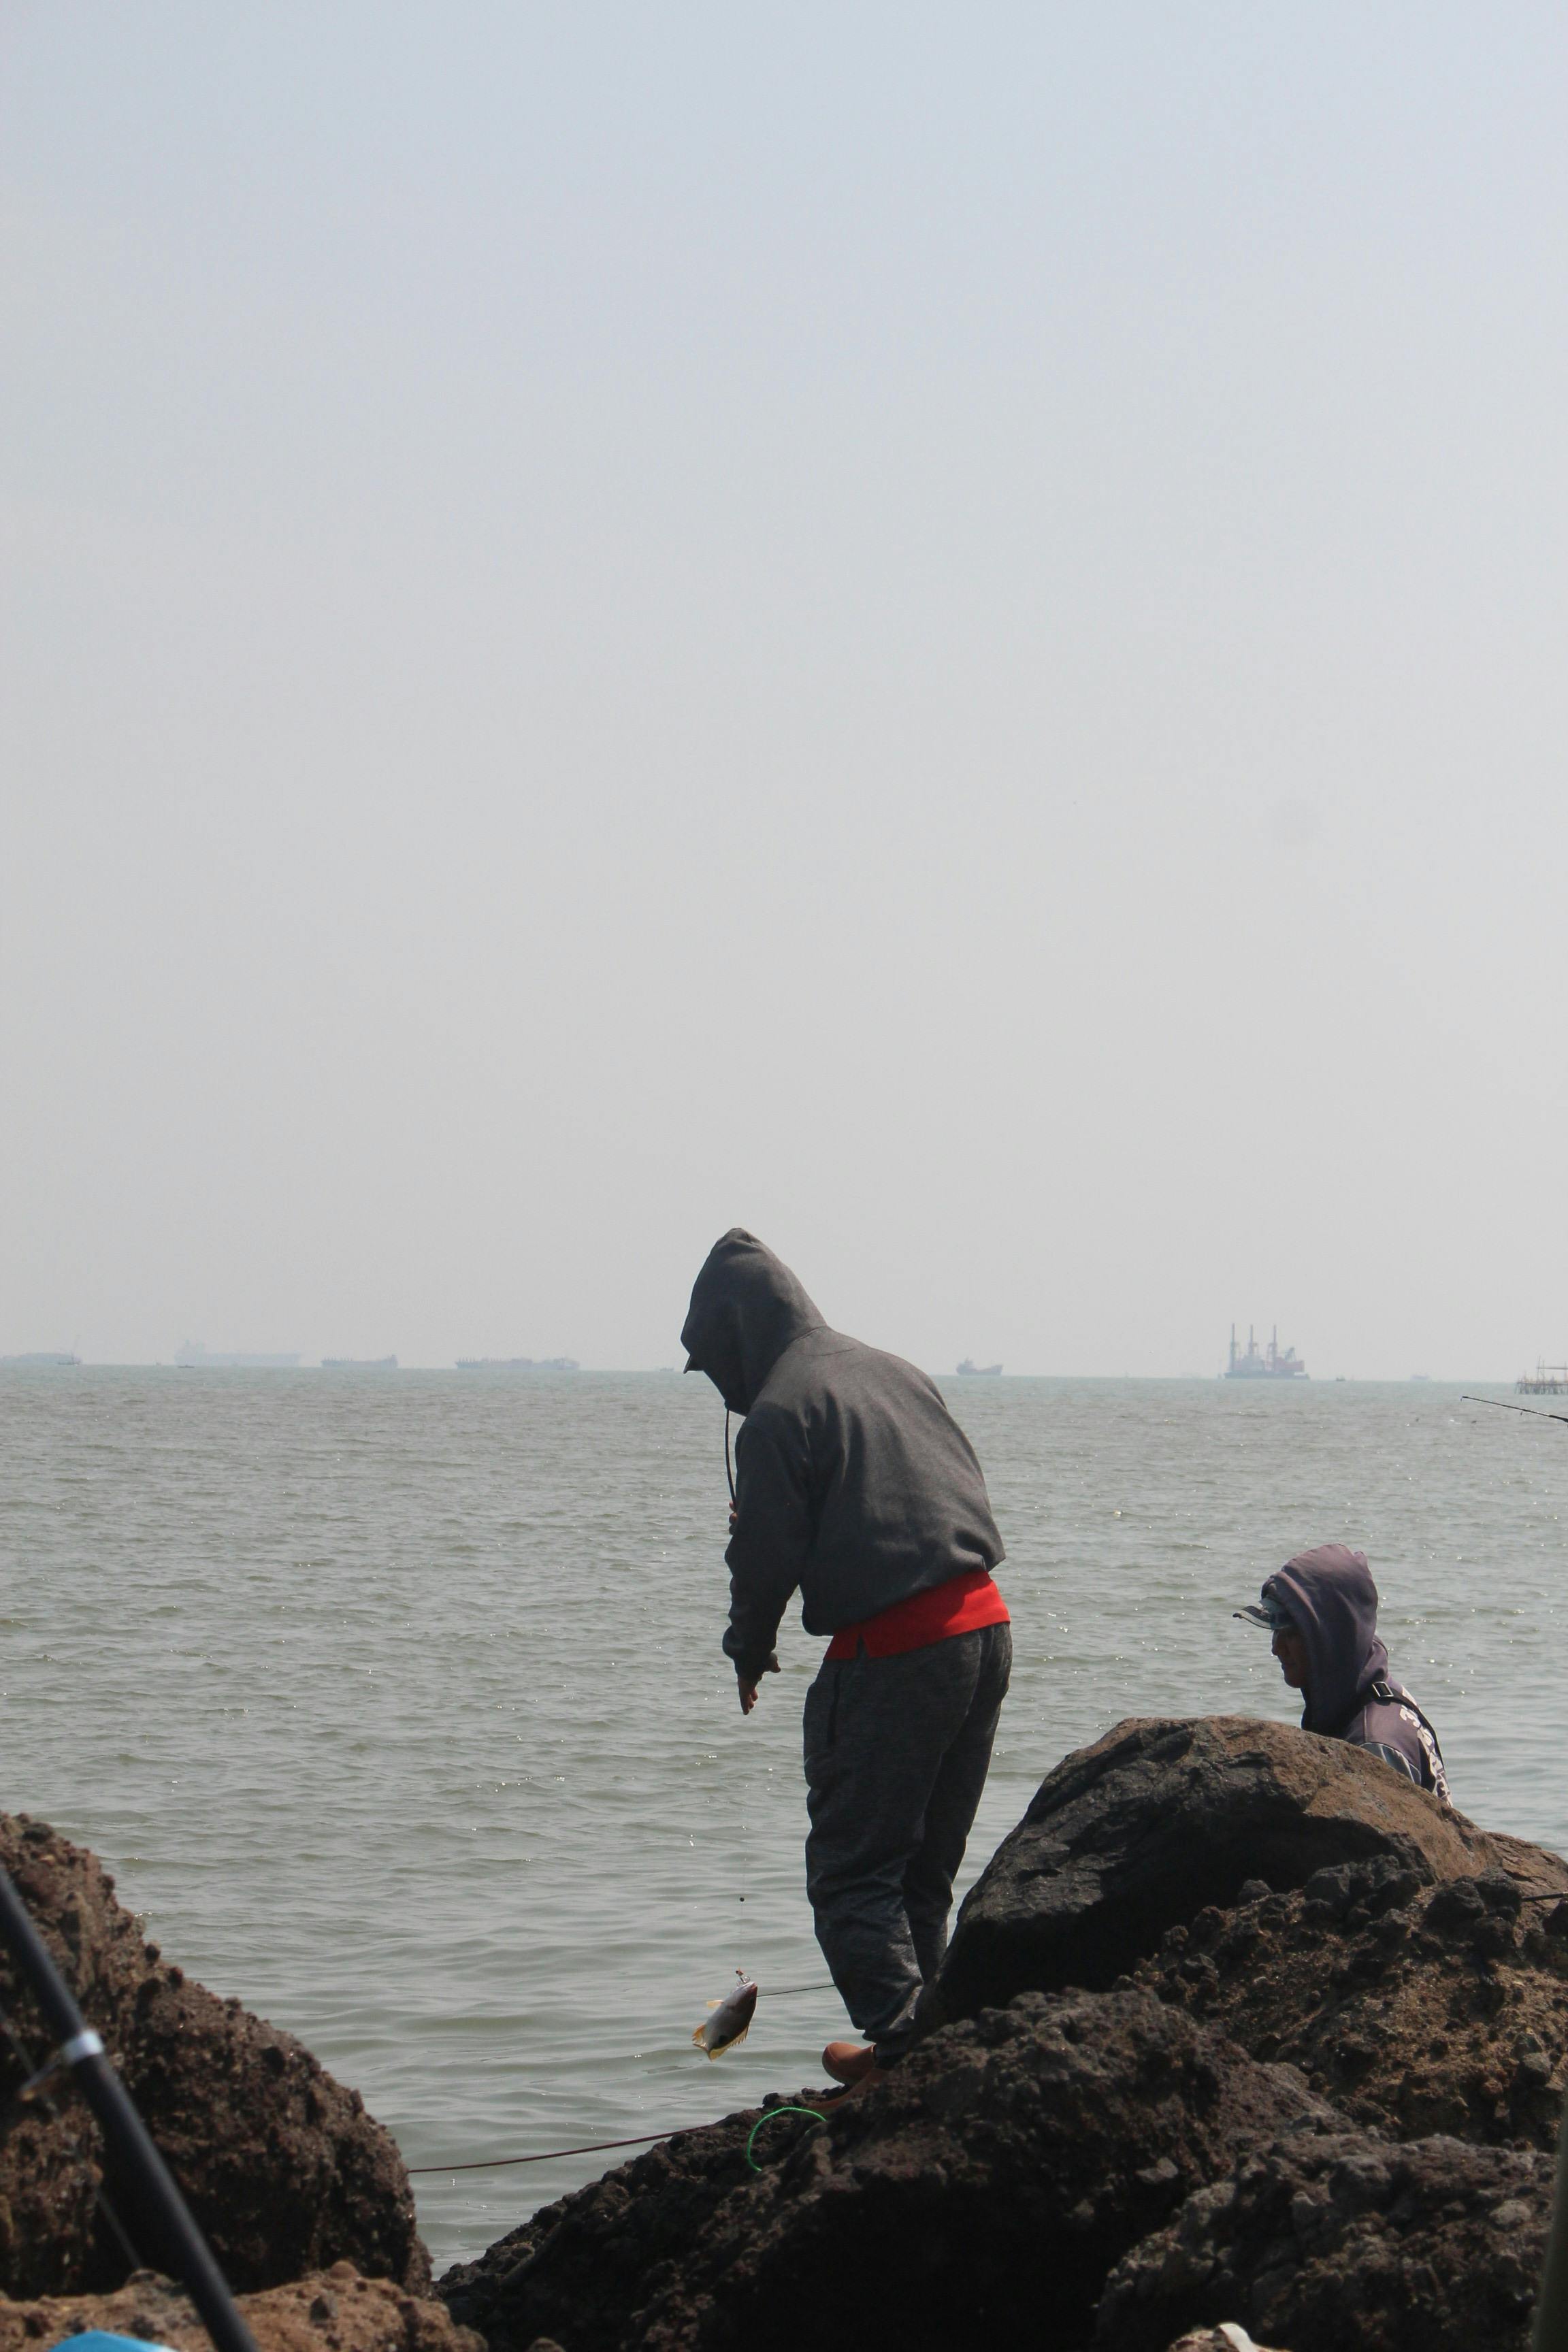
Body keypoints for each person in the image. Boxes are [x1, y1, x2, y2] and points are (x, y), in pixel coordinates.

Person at [681, 1228, 1011, 2088]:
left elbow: (762, 1565)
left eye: (714, 1366)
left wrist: (747, 1652)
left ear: (737, 1338)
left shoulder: (783, 1410)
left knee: (851, 1878)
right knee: (922, 1874)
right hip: (986, 1633)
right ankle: (931, 2038)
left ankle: (907, 2060)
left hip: (897, 1653)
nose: (722, 1390)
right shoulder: (895, 1370)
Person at [1235, 1542, 1448, 1799]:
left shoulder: (1373, 1744)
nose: (1277, 1649)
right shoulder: (1376, 1689)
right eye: (1276, 1631)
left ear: (1331, 1636)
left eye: (1291, 1633)